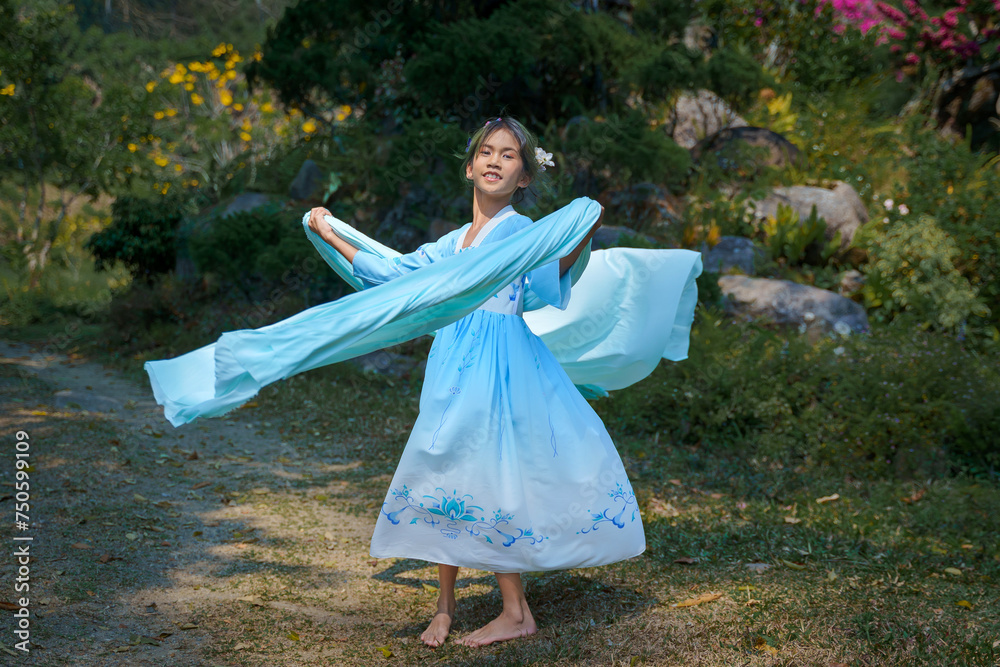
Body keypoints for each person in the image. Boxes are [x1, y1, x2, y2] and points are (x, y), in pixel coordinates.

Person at [306, 116, 646, 648]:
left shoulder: (521, 232)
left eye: (508, 155)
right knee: (447, 466)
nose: (494, 161)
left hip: (498, 359)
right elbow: (396, 275)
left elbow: (550, 272)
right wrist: (331, 235)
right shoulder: (452, 244)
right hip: (454, 356)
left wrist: (583, 225)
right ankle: (444, 608)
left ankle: (515, 611)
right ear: (469, 168)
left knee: (484, 471)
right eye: (486, 152)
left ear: (523, 177)